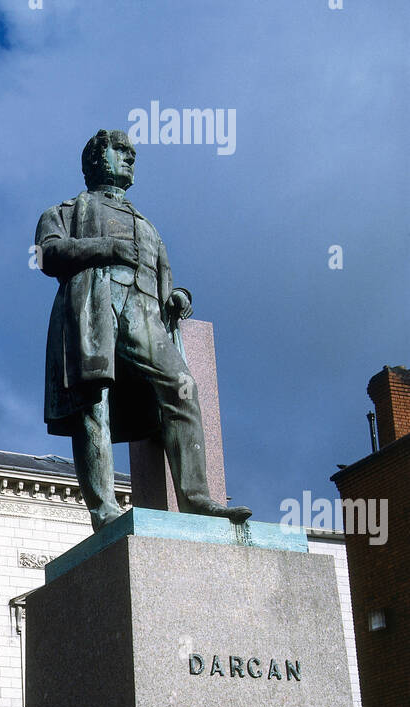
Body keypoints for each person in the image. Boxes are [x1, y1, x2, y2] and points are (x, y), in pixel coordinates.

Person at [35, 128, 252, 531]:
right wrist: (108, 248)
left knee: (181, 386)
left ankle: (197, 499)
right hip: (92, 309)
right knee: (92, 405)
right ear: (98, 159)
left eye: (132, 153)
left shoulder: (146, 223)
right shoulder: (63, 211)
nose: (131, 158)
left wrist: (179, 295)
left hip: (144, 313)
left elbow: (163, 274)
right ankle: (104, 511)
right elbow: (47, 254)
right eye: (122, 151)